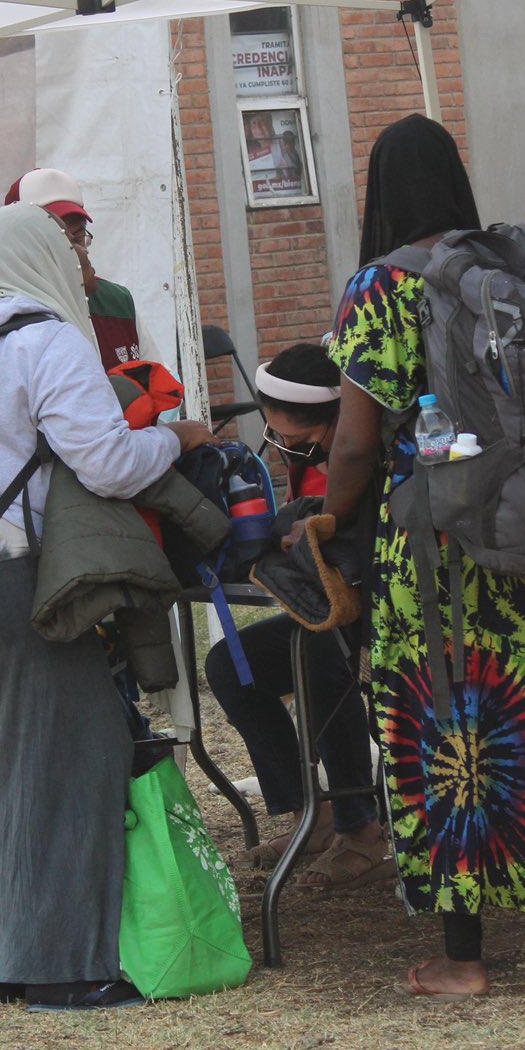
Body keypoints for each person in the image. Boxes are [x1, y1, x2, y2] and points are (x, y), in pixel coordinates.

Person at [303, 113, 525, 1000]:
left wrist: (327, 519)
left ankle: (464, 960)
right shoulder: (519, 267)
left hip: (436, 544)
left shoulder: (379, 287)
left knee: (445, 733)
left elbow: (358, 445)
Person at [0, 200, 214, 1012]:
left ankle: (10, 957)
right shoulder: (44, 339)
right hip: (15, 576)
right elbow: (111, 462)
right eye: (67, 248)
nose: (81, 266)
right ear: (45, 260)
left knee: (3, 769)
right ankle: (64, 971)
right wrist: (180, 441)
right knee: (75, 754)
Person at [203, 343, 388, 889]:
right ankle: (314, 812)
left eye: (299, 439)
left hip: (396, 617)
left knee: (318, 653)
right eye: (278, 435)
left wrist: (315, 532)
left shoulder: (376, 456)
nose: (287, 448)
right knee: (234, 667)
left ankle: (362, 828)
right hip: (344, 609)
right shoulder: (321, 457)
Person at [0, 169, 143, 368]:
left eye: (77, 235)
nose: (75, 250)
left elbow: (164, 387)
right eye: (56, 236)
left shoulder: (115, 301)